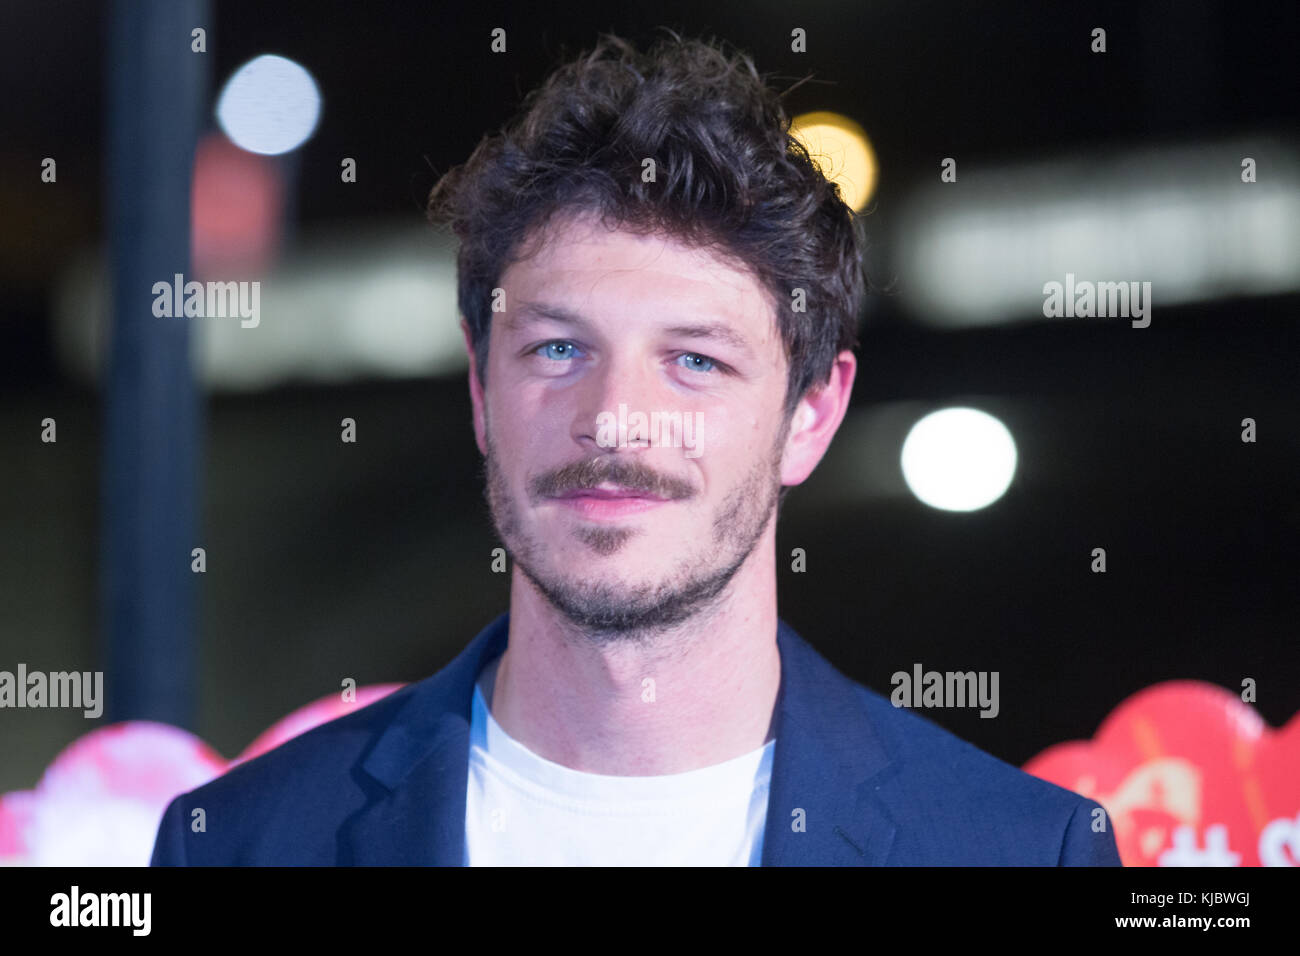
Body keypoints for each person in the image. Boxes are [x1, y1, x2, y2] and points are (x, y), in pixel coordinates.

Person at [151, 31, 1120, 866]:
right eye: (558, 348)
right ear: (482, 387)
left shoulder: (1017, 849)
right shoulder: (241, 841)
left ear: (812, 415)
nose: (615, 417)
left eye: (694, 360)